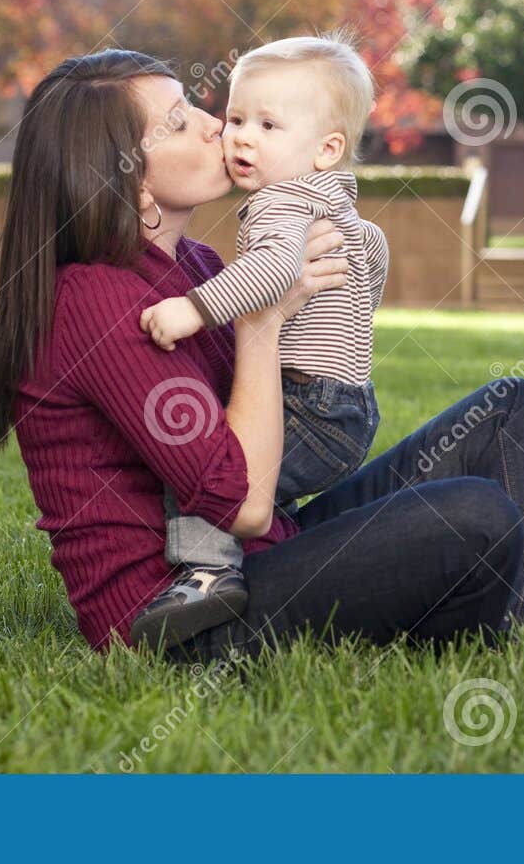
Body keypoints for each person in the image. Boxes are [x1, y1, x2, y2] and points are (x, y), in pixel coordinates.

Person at [0, 49, 524, 661]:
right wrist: (263, 317)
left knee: (515, 410)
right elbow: (245, 505)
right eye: (178, 120)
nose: (215, 123)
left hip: (270, 552)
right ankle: (494, 618)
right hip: (190, 617)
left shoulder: (196, 266)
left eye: (196, 106)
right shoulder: (97, 300)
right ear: (127, 176)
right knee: (476, 516)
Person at [134, 34, 388, 650]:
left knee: (211, 468)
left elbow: (273, 272)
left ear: (327, 148)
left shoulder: (279, 202)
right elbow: (373, 254)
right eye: (238, 117)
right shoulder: (339, 207)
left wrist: (193, 309)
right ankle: (269, 548)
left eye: (269, 125)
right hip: (351, 403)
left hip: (311, 403)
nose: (242, 137)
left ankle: (209, 572)